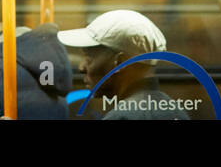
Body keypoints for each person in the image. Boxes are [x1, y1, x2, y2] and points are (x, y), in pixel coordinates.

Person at [58, 9, 186, 120]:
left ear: (120, 62)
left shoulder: (123, 117)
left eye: (89, 58)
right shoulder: (173, 110)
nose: (81, 67)